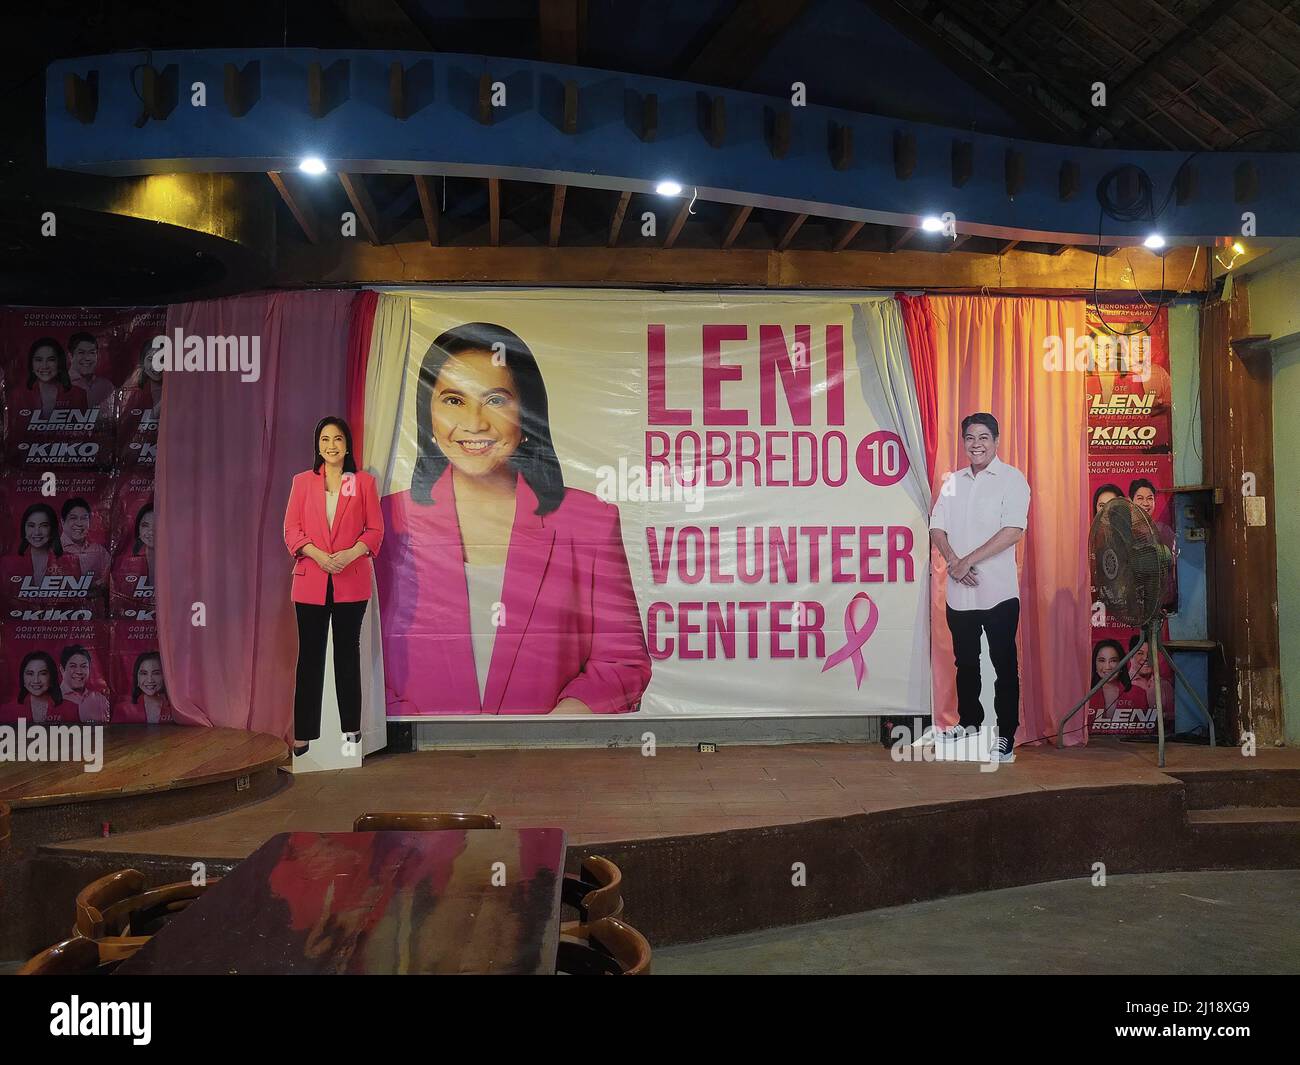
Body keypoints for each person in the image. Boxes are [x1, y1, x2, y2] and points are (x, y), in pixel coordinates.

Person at [377, 322, 651, 717]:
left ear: (527, 413)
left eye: (495, 400)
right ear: (428, 414)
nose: (474, 423)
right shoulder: (386, 522)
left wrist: (561, 725)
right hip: (416, 765)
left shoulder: (589, 520)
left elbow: (622, 662)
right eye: (453, 400)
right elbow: (355, 654)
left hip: (547, 765)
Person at [928, 412, 1030, 763]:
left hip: (998, 592)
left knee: (1004, 664)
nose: (976, 444)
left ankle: (1006, 735)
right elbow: (936, 527)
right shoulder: (952, 481)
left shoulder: (1012, 479)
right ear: (963, 442)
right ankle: (969, 722)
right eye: (970, 438)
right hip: (960, 593)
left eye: (984, 437)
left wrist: (966, 561)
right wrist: (955, 560)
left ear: (996, 441)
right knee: (965, 663)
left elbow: (1013, 530)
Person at [283, 416, 384, 755]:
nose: (331, 446)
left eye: (337, 439)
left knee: (347, 654)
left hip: (351, 581)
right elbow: (292, 531)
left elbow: (374, 531)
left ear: (347, 444)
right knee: (309, 657)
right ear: (317, 445)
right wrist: (317, 555)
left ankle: (351, 730)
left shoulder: (362, 483)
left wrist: (349, 554)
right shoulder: (302, 482)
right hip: (310, 579)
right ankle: (304, 734)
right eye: (325, 439)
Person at [11, 337, 88, 419]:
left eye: (51, 360)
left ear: (59, 363)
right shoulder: (18, 395)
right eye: (39, 360)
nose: (44, 366)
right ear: (31, 364)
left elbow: (83, 430)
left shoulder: (79, 394)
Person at [1087, 639, 1150, 734]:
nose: (1107, 666)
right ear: (1094, 664)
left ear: (1122, 663)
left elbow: (1145, 731)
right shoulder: (1085, 695)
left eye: (1113, 660)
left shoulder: (1138, 693)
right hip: (1092, 747)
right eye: (1101, 660)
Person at [0, 652, 78, 724]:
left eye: (43, 674)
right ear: (22, 678)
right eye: (30, 674)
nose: (36, 680)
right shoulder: (7, 710)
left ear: (51, 677)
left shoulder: (71, 709)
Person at [61, 497, 112, 591]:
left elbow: (111, 579)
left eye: (84, 518)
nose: (79, 523)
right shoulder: (52, 550)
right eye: (73, 518)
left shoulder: (99, 551)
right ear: (62, 522)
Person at [113, 651, 174, 723]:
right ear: (136, 677)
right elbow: (102, 733)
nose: (150, 680)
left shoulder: (178, 710)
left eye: (156, 673)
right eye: (144, 673)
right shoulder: (123, 710)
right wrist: (99, 734)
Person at [1127, 633, 1173, 722]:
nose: (1146, 658)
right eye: (1140, 653)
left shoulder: (1164, 685)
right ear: (1130, 656)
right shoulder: (1121, 684)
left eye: (1150, 653)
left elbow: (1174, 716)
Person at [59, 645, 110, 723]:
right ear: (62, 670)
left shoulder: (100, 699)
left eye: (84, 666)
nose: (79, 671)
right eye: (73, 666)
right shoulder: (50, 700)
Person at [66, 332, 114, 410]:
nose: (87, 358)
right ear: (70, 356)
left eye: (92, 353)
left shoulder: (106, 386)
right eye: (81, 352)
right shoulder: (58, 386)